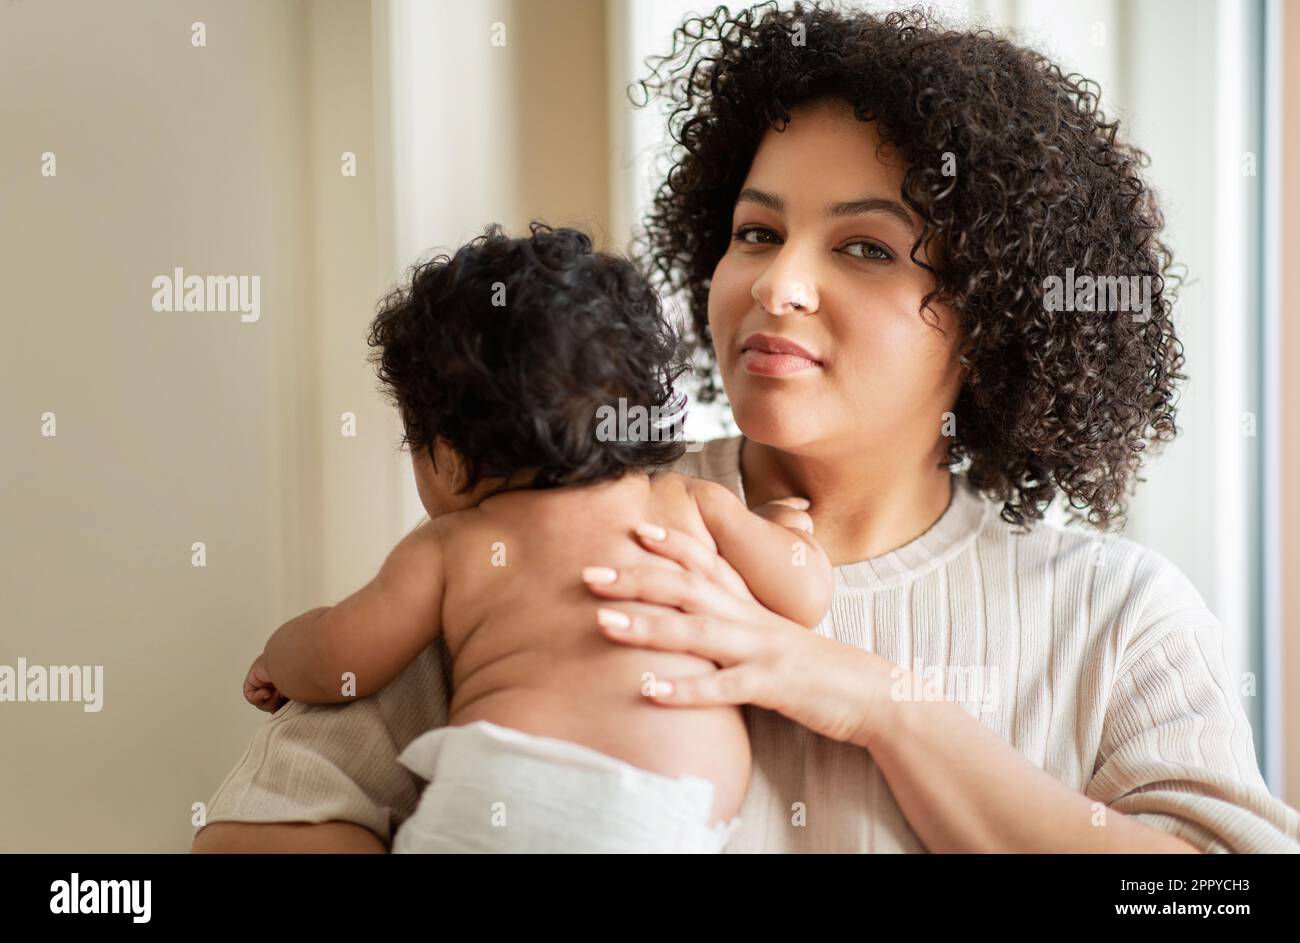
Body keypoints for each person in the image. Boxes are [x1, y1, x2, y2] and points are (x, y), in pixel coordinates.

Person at [193, 2, 1300, 853]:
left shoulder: (1117, 616)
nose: (776, 287)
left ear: (993, 315)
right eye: (756, 231)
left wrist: (880, 708)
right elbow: (255, 827)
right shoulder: (561, 531)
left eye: (864, 247)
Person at [239, 221, 832, 852]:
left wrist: (283, 652)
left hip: (501, 810)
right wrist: (781, 529)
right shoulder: (689, 503)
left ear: (446, 451)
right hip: (667, 823)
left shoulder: (456, 544)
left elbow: (341, 661)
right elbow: (803, 595)